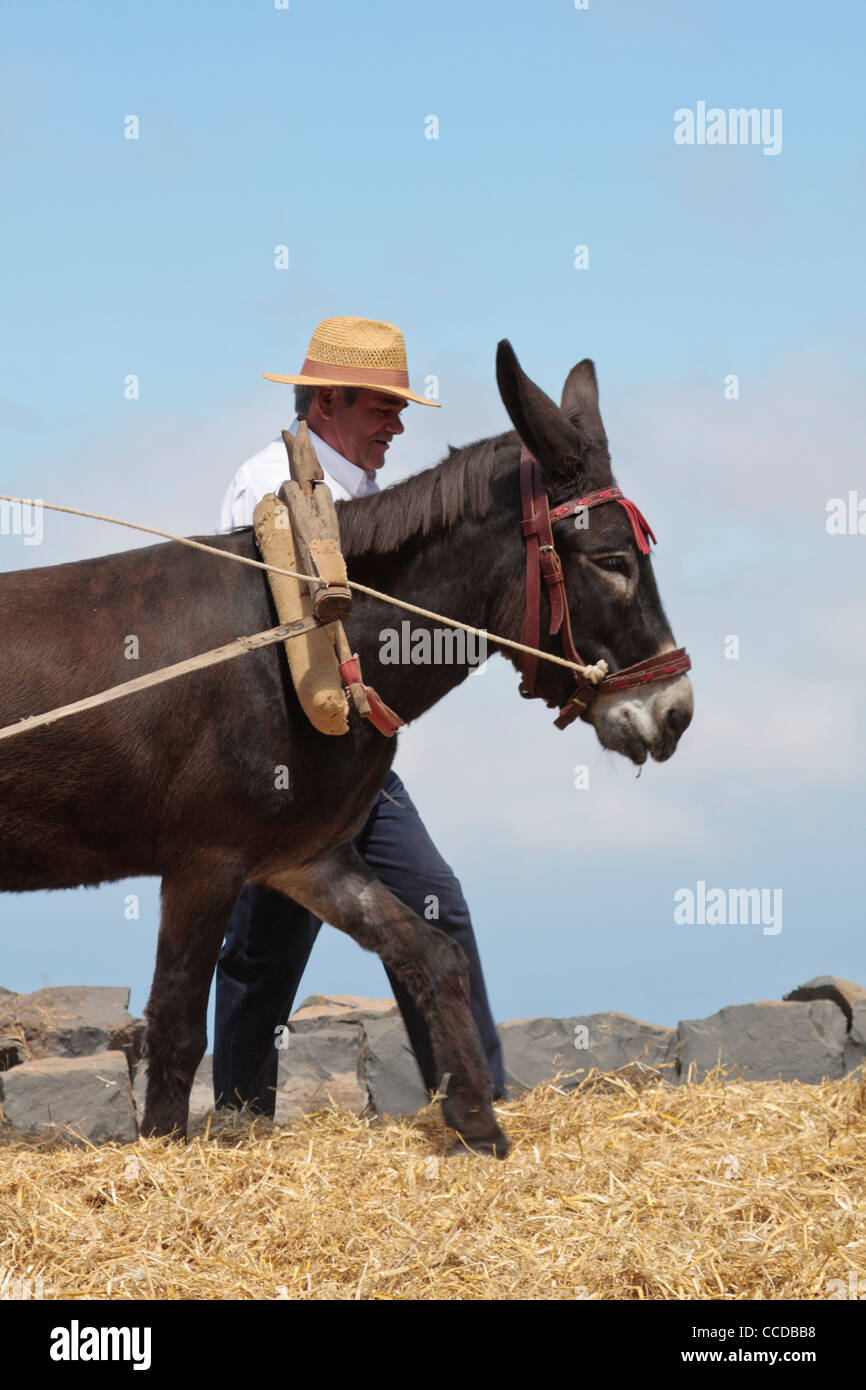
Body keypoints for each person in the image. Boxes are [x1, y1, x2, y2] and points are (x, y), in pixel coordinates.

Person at [212, 316, 505, 1115]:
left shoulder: (360, 491)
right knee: (268, 952)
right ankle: (240, 1128)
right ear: (331, 401)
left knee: (428, 907)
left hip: (350, 757)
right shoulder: (270, 485)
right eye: (384, 408)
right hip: (285, 765)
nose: (399, 425)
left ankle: (476, 1100)